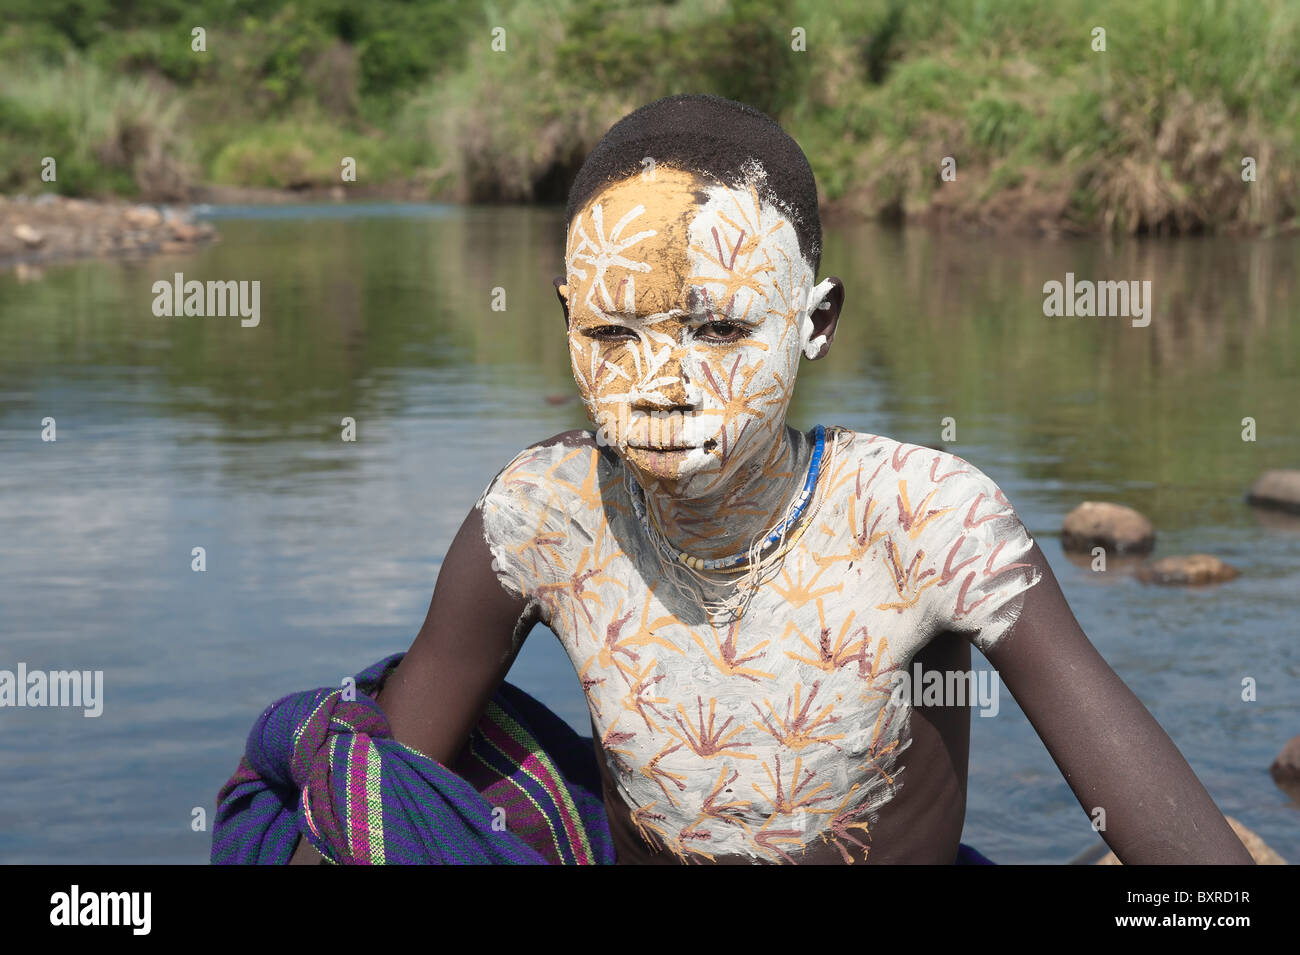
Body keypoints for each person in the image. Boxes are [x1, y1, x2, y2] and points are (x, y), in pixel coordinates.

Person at [296, 93, 1252, 864]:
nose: (662, 386)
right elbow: (375, 799)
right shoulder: (544, 518)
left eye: (719, 330)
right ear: (565, 318)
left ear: (816, 322)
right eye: (613, 334)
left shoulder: (923, 520)